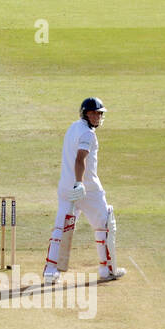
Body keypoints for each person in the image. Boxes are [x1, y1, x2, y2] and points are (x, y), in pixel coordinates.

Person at [42, 98, 125, 284]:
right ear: (86, 113)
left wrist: (74, 184)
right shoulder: (88, 134)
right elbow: (80, 159)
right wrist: (80, 183)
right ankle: (107, 269)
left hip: (65, 187)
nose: (98, 116)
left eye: (100, 113)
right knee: (106, 224)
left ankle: (50, 271)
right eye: (95, 113)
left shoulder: (73, 127)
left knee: (60, 228)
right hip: (87, 189)